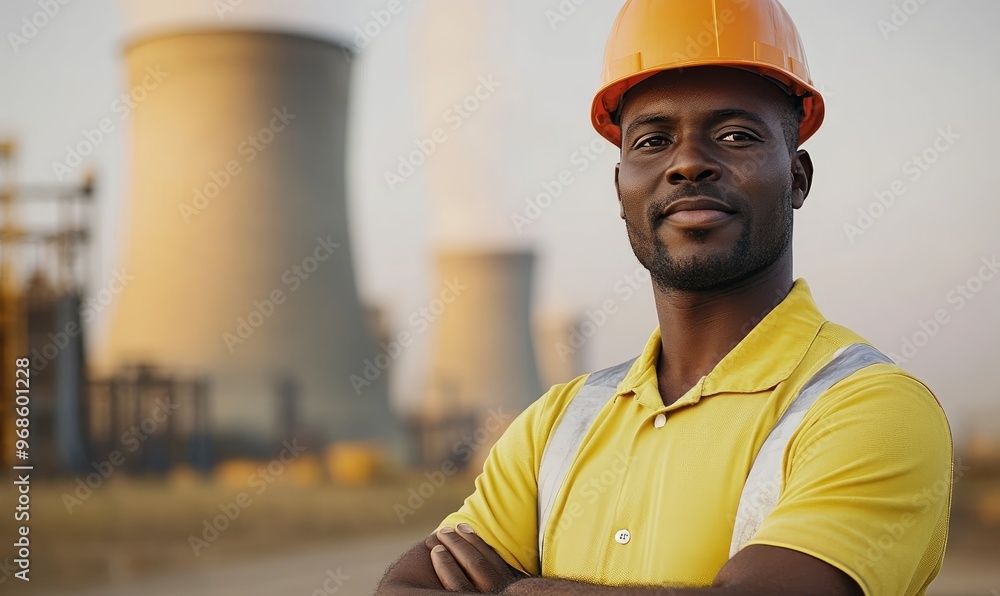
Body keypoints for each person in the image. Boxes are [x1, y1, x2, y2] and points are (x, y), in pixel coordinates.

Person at [376, 0, 953, 594]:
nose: (689, 164)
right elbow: (406, 589)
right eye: (653, 141)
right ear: (620, 185)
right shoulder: (555, 424)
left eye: (735, 135)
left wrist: (521, 589)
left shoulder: (869, 409)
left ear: (799, 178)